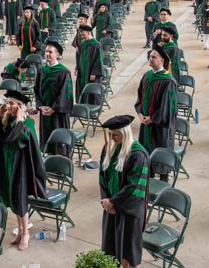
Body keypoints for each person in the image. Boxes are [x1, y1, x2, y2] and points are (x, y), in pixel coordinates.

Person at [0, 90, 46, 251]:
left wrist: (19, 118)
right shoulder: (6, 120)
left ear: (20, 106)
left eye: (11, 103)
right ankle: (20, 231)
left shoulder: (27, 123)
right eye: (7, 103)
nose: (7, 106)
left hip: (20, 167)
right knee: (12, 198)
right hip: (6, 164)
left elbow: (20, 138)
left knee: (20, 199)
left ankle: (26, 233)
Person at [99, 115, 149, 268]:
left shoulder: (138, 155)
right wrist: (106, 201)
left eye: (116, 135)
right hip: (110, 208)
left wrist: (114, 202)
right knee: (111, 249)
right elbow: (102, 178)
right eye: (110, 134)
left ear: (125, 133)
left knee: (129, 252)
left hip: (130, 212)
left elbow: (135, 187)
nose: (112, 138)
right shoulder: (109, 149)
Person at [134, 45, 178, 180]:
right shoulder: (147, 76)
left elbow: (167, 106)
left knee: (161, 151)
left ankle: (164, 181)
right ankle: (149, 179)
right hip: (145, 123)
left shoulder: (168, 81)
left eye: (154, 57)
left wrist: (152, 119)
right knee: (146, 152)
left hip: (160, 126)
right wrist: (140, 113)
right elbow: (140, 97)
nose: (150, 59)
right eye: (150, 56)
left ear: (162, 60)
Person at [34, 40, 74, 147]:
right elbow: (36, 90)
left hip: (58, 114)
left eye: (50, 52)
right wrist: (40, 106)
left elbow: (65, 94)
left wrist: (53, 108)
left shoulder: (64, 72)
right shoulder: (42, 70)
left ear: (57, 54)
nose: (47, 54)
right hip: (45, 113)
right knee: (46, 142)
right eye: (46, 51)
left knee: (59, 143)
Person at [75, 25, 104, 104]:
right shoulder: (83, 44)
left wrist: (94, 72)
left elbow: (99, 60)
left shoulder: (97, 45)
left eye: (83, 33)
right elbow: (78, 57)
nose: (82, 35)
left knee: (91, 90)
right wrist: (77, 68)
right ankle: (82, 105)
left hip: (91, 73)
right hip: (82, 72)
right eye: (81, 34)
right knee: (82, 87)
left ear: (88, 32)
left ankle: (92, 107)